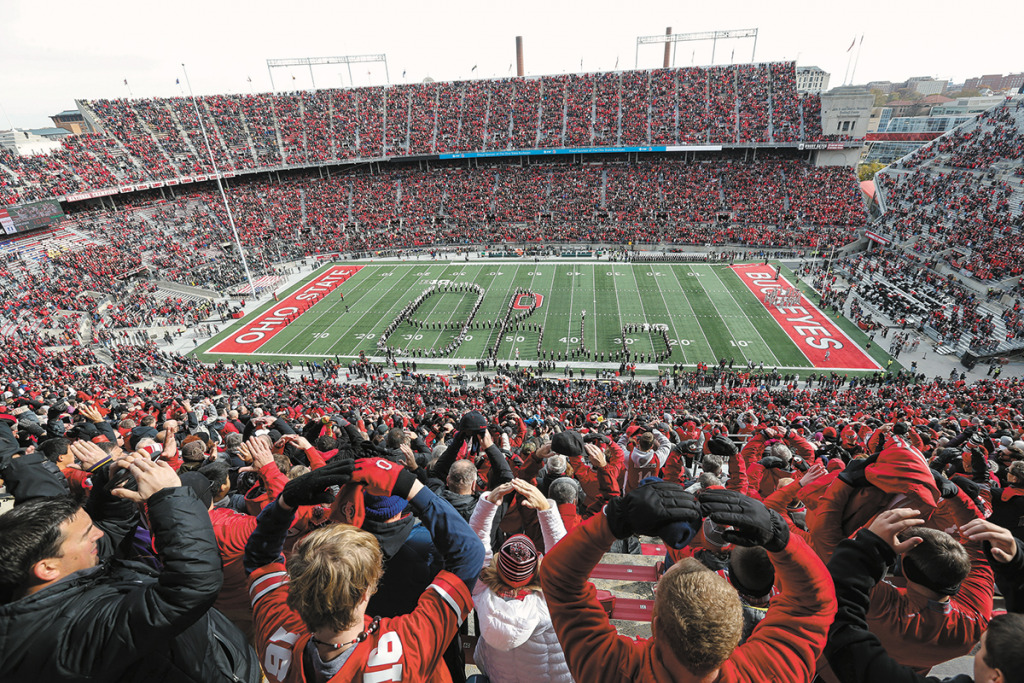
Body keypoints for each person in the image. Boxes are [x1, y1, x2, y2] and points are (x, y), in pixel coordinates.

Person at [0, 455, 260, 683]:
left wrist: (109, 484)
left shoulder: (49, 577)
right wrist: (170, 497)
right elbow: (189, 588)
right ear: (46, 568)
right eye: (87, 535)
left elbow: (110, 531)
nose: (98, 535)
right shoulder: (64, 637)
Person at [540, 483, 836, 682]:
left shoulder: (614, 670)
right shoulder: (769, 673)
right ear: (737, 636)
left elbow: (558, 579)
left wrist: (614, 518)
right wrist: (780, 537)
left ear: (655, 626)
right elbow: (813, 603)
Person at [244, 454, 484, 683]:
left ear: (295, 587)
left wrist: (287, 501)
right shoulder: (410, 646)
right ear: (365, 592)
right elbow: (470, 554)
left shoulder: (276, 632)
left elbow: (260, 560)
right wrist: (410, 485)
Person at [825, 508, 1024, 683]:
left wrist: (870, 542)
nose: (979, 648)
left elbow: (836, 574)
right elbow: (977, 542)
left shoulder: (882, 604)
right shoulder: (975, 619)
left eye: (982, 650)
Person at [468, 479, 571, 683]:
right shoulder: (549, 600)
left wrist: (488, 504)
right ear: (536, 570)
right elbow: (565, 559)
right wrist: (546, 509)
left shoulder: (482, 592)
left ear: (497, 565)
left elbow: (475, 546)